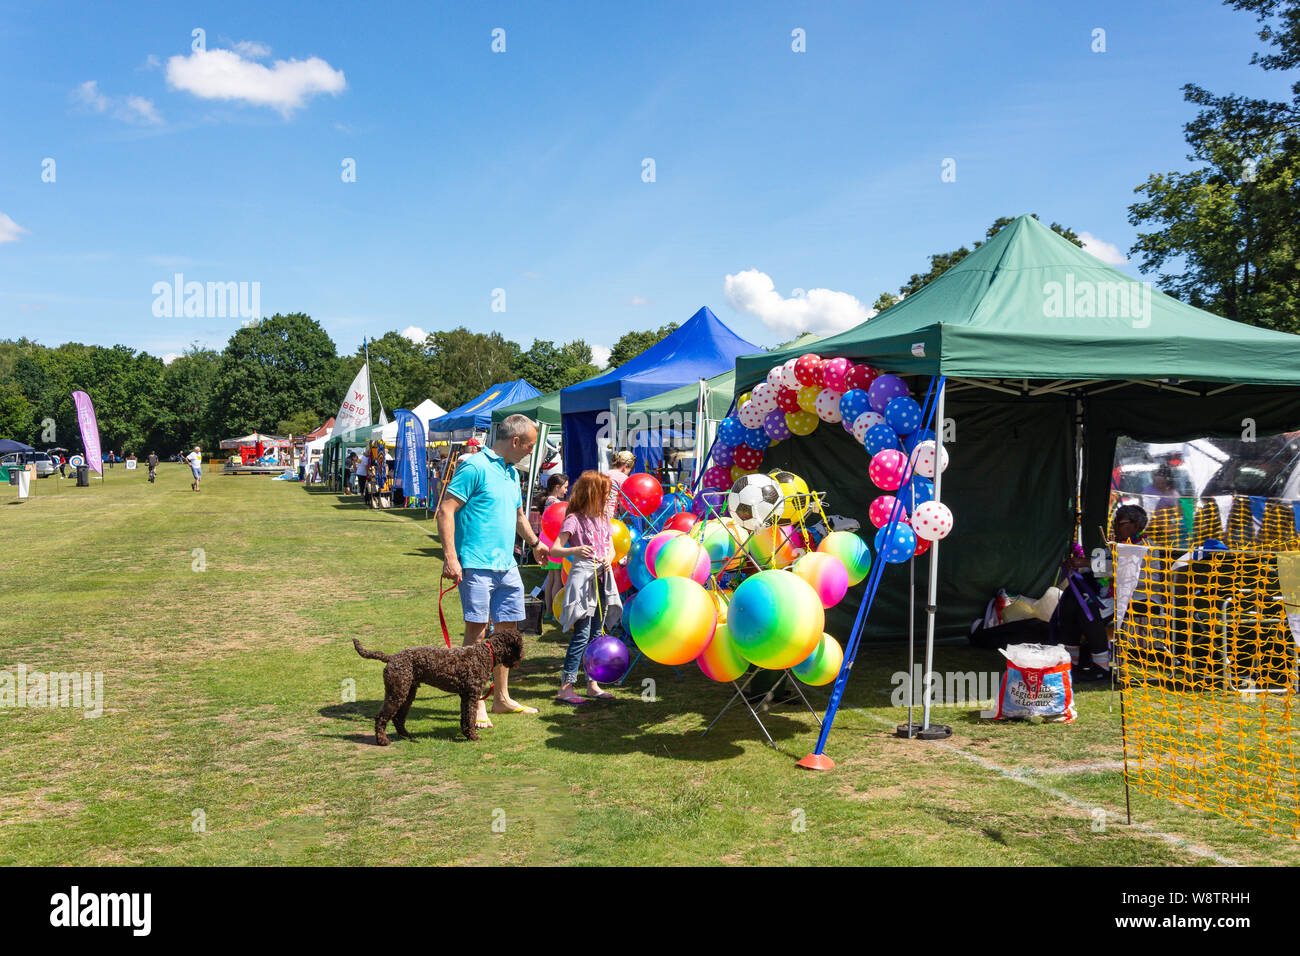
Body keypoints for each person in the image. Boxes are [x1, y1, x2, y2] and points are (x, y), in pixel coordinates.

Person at [436, 414, 549, 729]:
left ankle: (501, 699)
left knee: (508, 635)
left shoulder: (512, 473)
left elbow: (517, 515)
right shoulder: (473, 466)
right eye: (529, 445)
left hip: (507, 566)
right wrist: (450, 557)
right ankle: (476, 703)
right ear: (515, 441)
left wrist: (536, 543)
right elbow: (446, 510)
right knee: (477, 633)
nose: (530, 452)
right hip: (475, 564)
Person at [551, 470, 621, 704]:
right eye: (605, 493)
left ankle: (592, 684)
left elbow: (610, 547)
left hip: (602, 578)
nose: (608, 497)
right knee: (581, 634)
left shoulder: (603, 519)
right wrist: (575, 551)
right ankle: (566, 687)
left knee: (596, 634)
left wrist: (607, 557)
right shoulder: (574, 519)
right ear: (592, 493)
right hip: (583, 581)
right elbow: (555, 549)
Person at [539, 473, 569, 622]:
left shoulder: (548, 501)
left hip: (546, 539)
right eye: (564, 487)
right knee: (557, 576)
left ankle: (549, 611)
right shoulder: (555, 503)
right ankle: (553, 611)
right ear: (557, 487)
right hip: (553, 541)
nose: (566, 491)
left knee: (551, 577)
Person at [605, 450, 636, 518]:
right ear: (625, 466)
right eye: (630, 470)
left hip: (596, 513)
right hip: (610, 516)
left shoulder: (605, 474)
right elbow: (623, 506)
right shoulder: (624, 478)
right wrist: (627, 520)